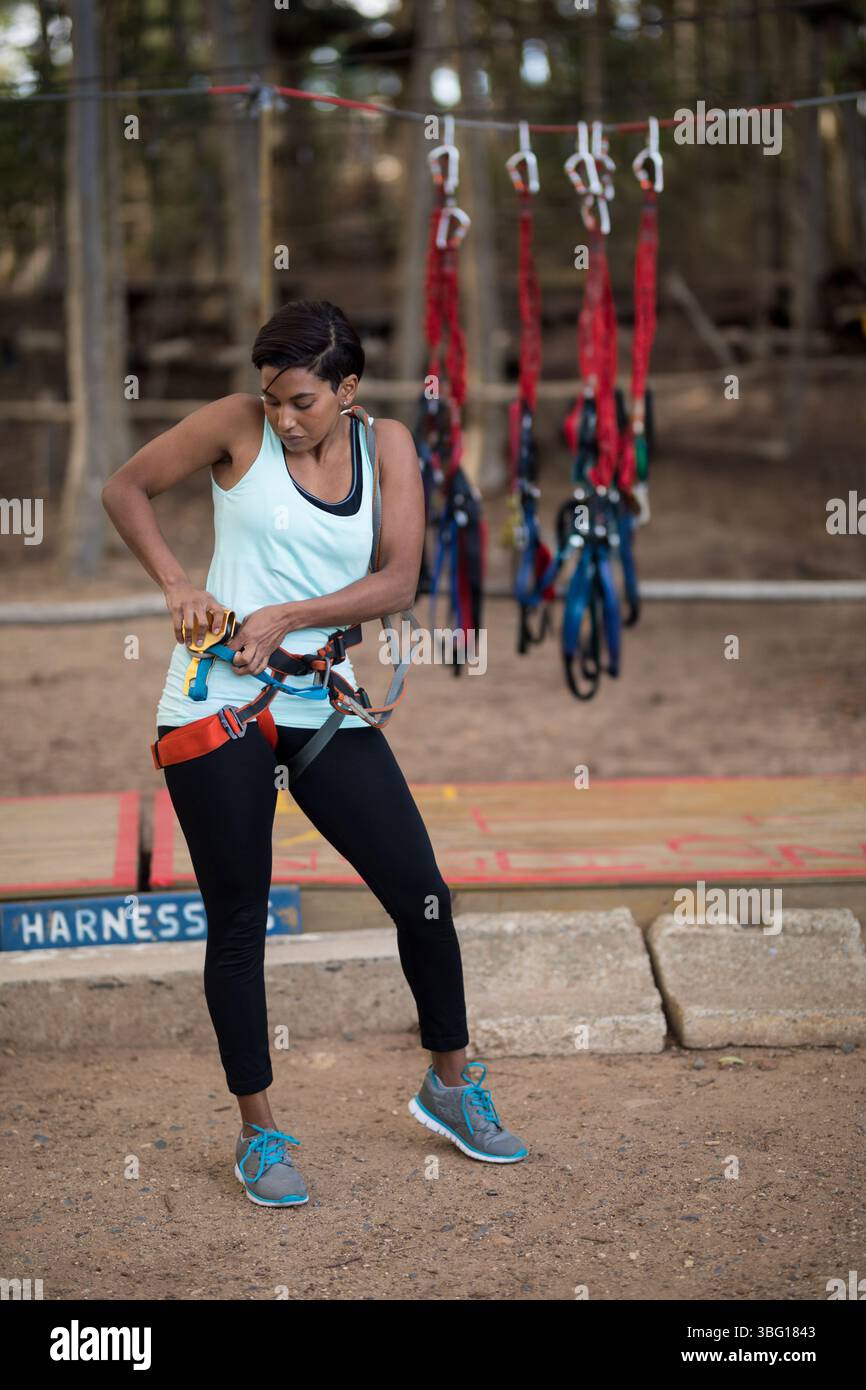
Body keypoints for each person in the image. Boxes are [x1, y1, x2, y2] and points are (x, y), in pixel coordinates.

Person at [101, 299, 527, 1206]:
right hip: (216, 701)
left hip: (323, 699)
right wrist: (179, 581)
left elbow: (397, 580)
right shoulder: (233, 425)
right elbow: (124, 488)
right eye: (273, 399)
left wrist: (290, 614)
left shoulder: (393, 448)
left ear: (347, 389)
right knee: (239, 922)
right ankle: (259, 1135)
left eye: (301, 401)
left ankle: (450, 1084)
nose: (283, 419)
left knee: (422, 892)